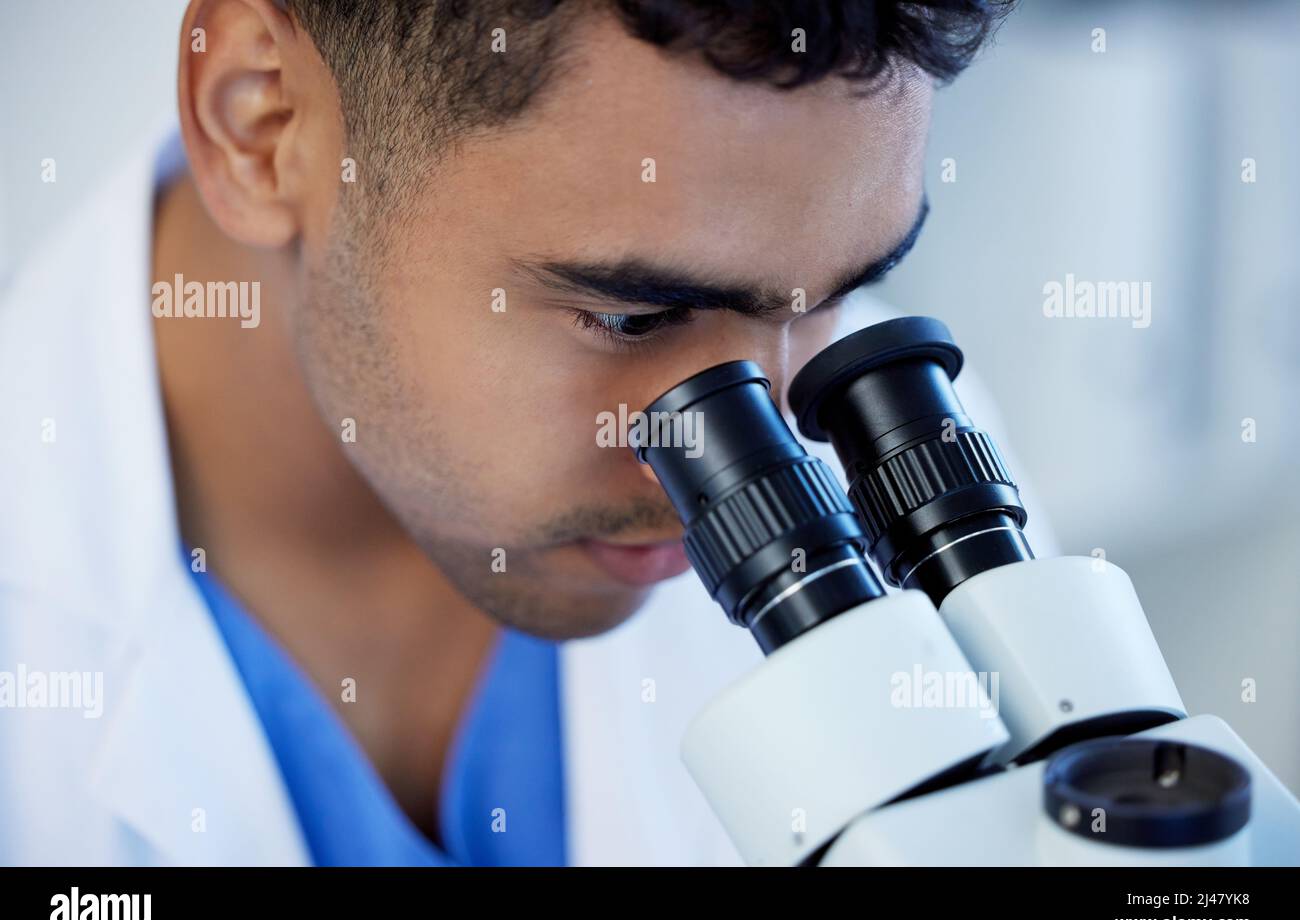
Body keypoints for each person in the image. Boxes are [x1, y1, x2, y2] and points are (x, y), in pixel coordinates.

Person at [0, 0, 1044, 865]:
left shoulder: (879, 449)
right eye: (634, 317)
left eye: (841, 289)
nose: (772, 440)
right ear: (264, 126)